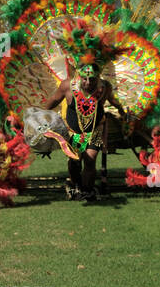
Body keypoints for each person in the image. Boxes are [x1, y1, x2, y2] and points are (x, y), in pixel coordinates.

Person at [45, 55, 127, 201]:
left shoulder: (104, 87)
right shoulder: (67, 86)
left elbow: (112, 100)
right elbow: (54, 100)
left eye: (92, 79)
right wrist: (40, 115)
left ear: (98, 77)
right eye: (85, 78)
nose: (88, 82)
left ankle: (87, 190)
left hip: (95, 131)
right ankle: (76, 185)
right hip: (73, 132)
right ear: (79, 76)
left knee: (90, 159)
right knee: (75, 161)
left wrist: (121, 111)